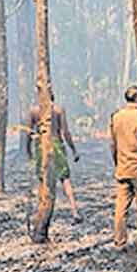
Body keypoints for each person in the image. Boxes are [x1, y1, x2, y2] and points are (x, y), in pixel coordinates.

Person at [24, 91, 82, 221]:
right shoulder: (58, 110)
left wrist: (29, 151)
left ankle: (41, 212)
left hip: (41, 146)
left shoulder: (34, 111)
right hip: (56, 145)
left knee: (42, 179)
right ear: (53, 97)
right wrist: (73, 150)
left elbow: (29, 133)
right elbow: (65, 132)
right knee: (65, 179)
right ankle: (74, 210)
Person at [110, 84, 137, 247]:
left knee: (121, 209)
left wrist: (117, 162)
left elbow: (113, 144)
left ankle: (119, 240)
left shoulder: (116, 117)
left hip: (123, 168)